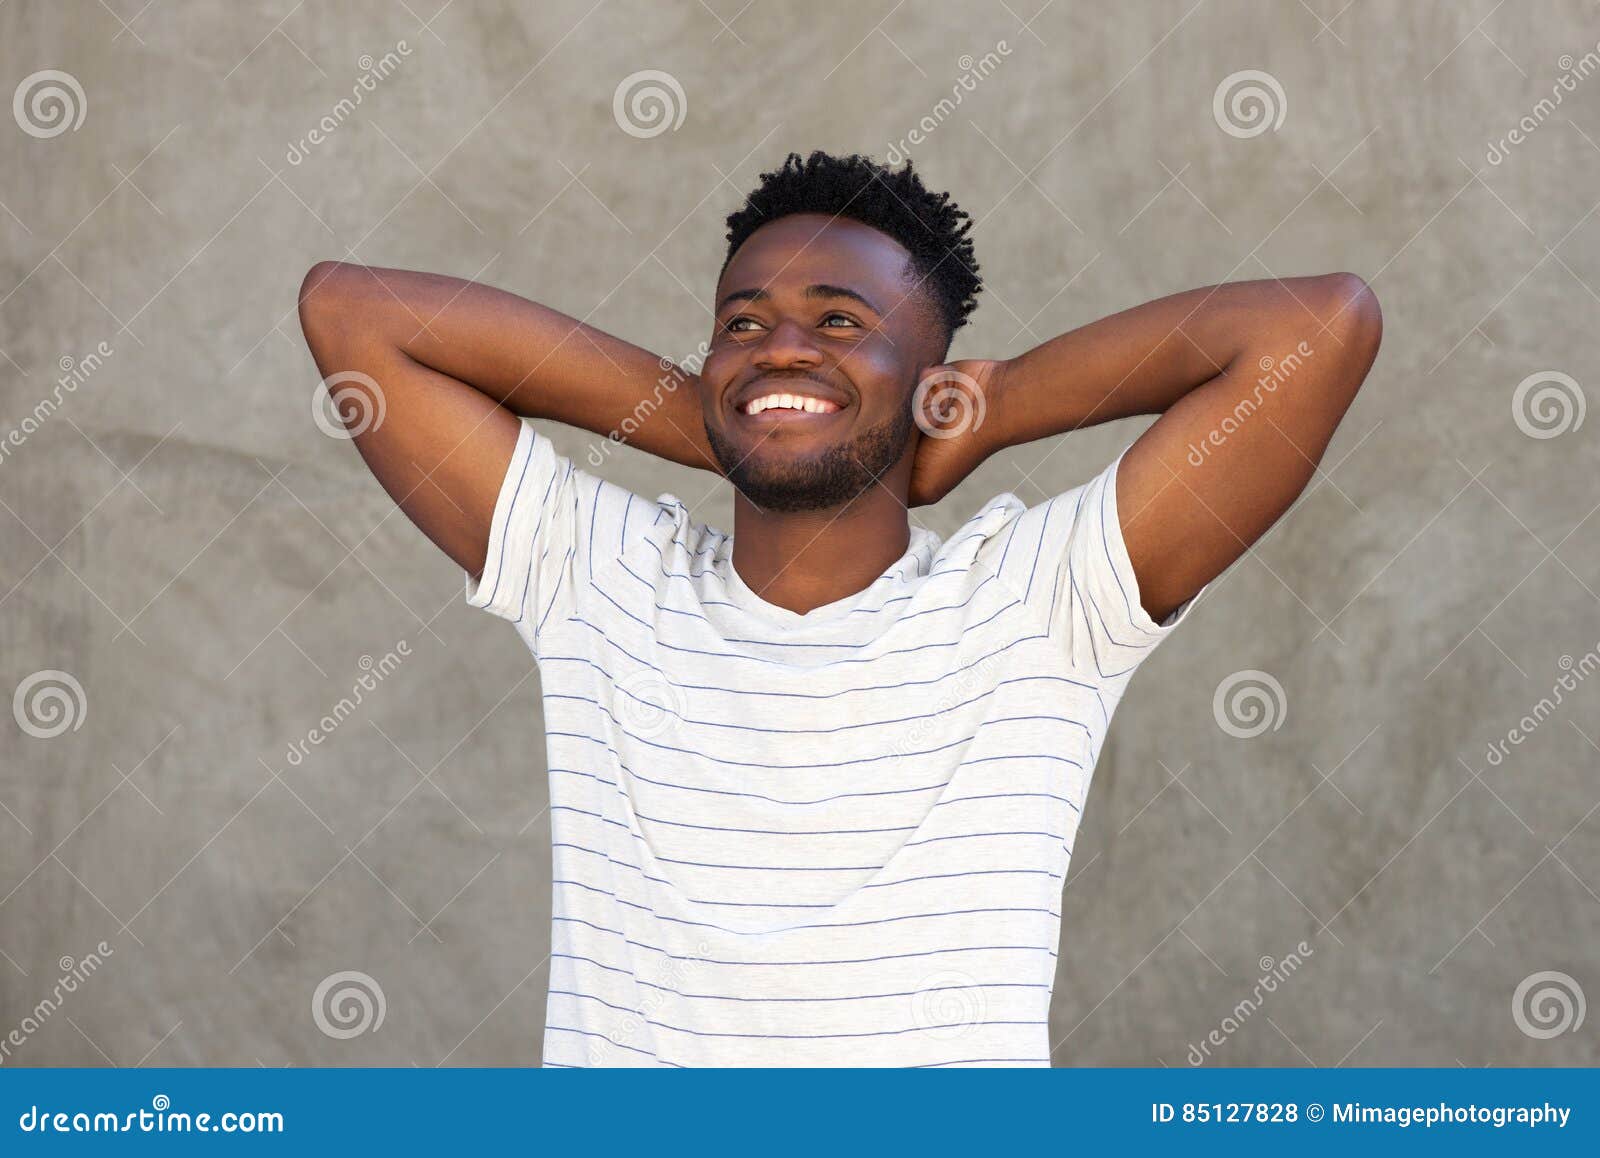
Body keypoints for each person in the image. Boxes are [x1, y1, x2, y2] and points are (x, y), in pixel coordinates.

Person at [296, 149, 1381, 1067]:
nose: (780, 344)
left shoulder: (1039, 600)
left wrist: (983, 409)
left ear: (930, 375)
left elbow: (1317, 330)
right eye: (743, 323)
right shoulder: (600, 577)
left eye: (839, 320)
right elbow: (351, 316)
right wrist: (744, 419)